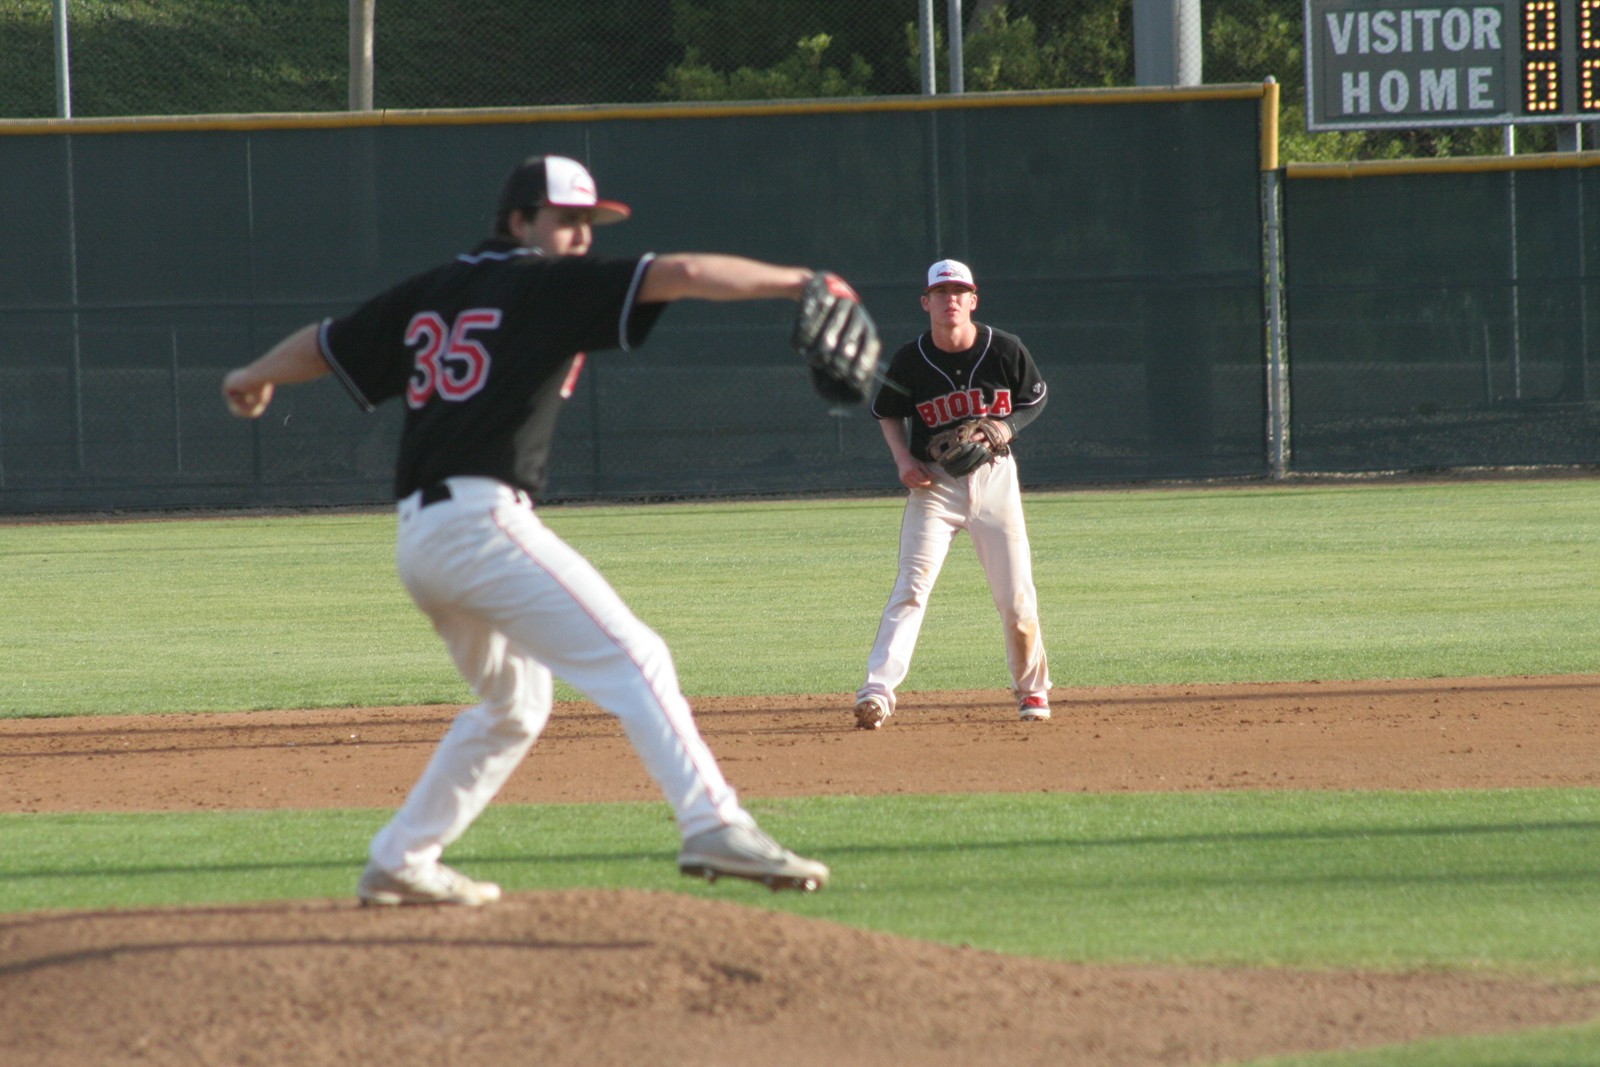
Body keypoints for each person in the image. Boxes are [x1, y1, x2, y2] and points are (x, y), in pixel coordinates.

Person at [222, 154, 874, 904]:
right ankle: (712, 822)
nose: (579, 239)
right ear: (520, 221)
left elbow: (326, 342)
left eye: (587, 225)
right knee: (638, 655)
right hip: (479, 525)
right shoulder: (544, 281)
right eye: (566, 221)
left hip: (421, 542)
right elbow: (687, 270)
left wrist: (252, 375)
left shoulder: (430, 291)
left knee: (516, 705)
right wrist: (800, 281)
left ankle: (402, 857)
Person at [853, 258, 1052, 730]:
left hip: (995, 478)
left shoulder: (1004, 349)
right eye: (941, 293)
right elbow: (887, 411)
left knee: (1016, 596)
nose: (951, 300)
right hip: (935, 485)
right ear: (927, 302)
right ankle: (877, 693)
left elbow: (1036, 397)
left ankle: (1032, 691)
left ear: (973, 300)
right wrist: (903, 459)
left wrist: (1005, 425)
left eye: (960, 291)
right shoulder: (909, 359)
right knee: (911, 589)